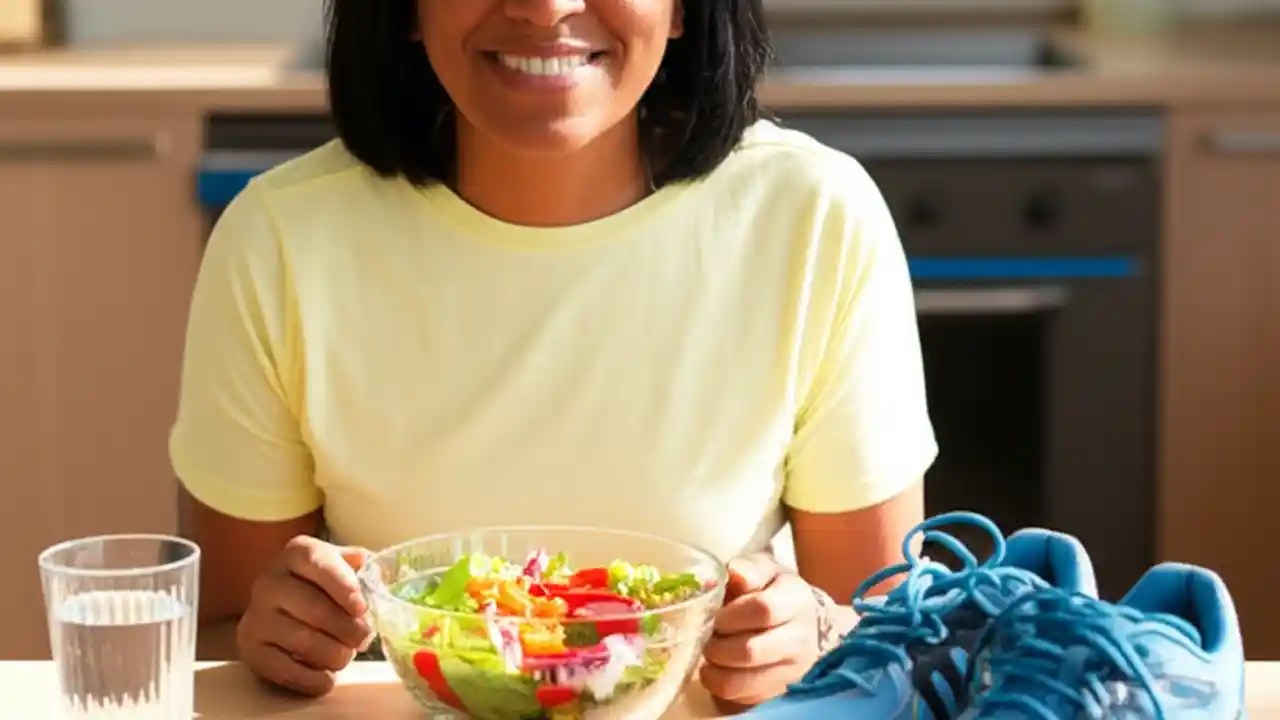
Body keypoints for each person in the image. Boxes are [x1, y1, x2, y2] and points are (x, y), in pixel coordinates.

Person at [171, 0, 938, 709]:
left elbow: (891, 638)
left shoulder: (812, 218)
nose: (545, 6)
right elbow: (224, 639)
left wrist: (813, 635)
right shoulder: (281, 241)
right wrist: (276, 637)